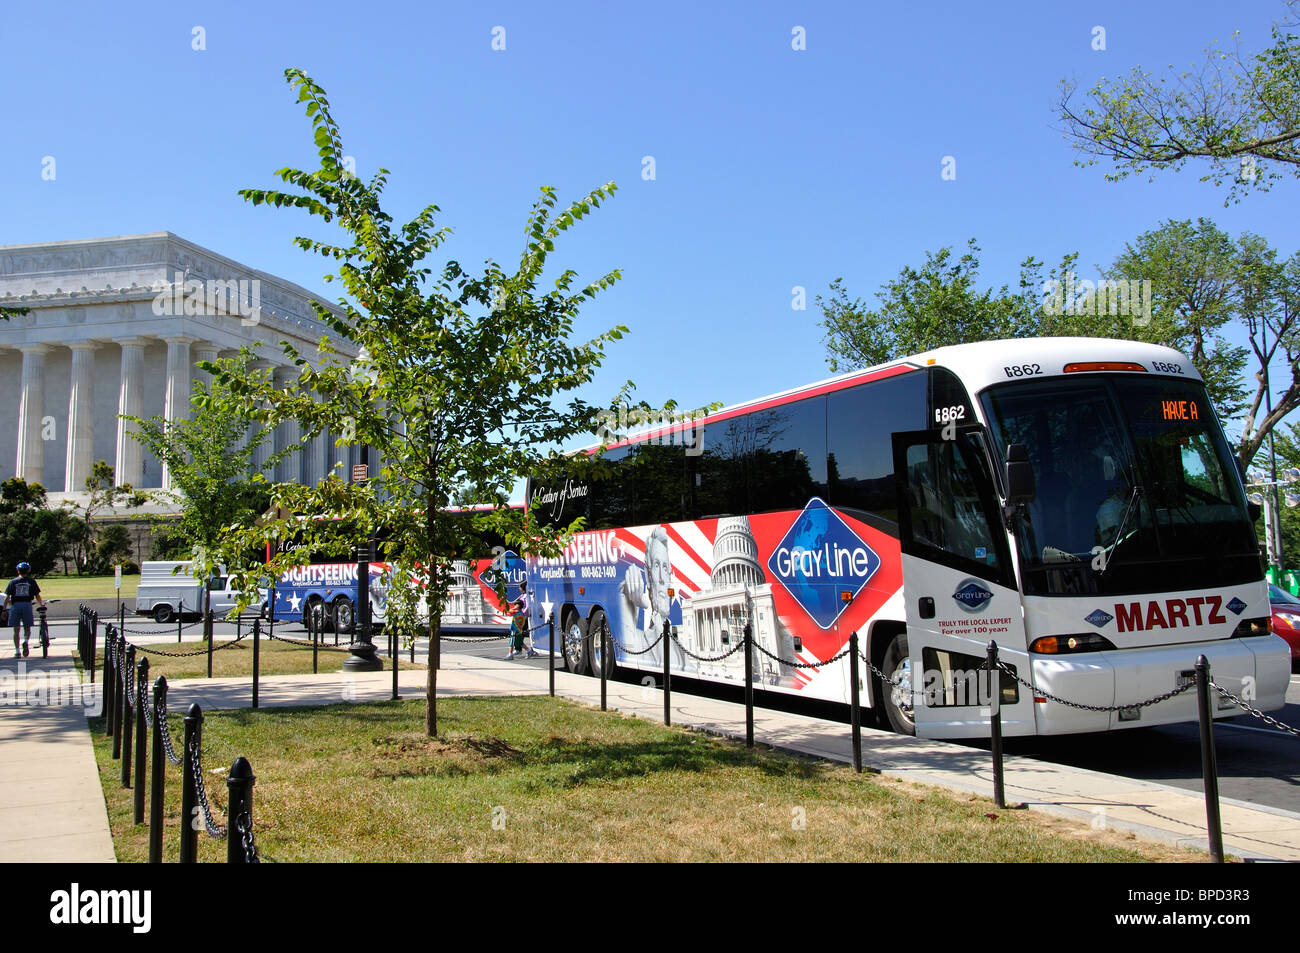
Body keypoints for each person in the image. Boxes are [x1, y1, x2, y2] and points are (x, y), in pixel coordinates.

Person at [5, 562, 46, 658]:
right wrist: (42, 604)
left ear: (18, 571)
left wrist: (4, 610)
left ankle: (17, 651)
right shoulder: (31, 581)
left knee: (16, 630)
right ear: (28, 571)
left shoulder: (13, 582)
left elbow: (7, 597)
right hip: (27, 605)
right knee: (27, 628)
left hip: (15, 606)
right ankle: (26, 641)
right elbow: (37, 595)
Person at [506, 581, 537, 660]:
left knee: (515, 639)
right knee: (518, 640)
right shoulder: (522, 596)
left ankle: (513, 653)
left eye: (520, 587)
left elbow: (526, 607)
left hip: (519, 624)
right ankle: (522, 649)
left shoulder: (525, 597)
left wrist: (522, 613)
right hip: (518, 625)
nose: (519, 589)